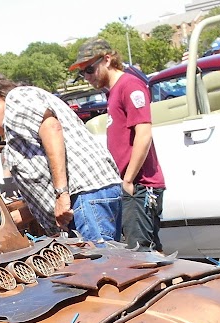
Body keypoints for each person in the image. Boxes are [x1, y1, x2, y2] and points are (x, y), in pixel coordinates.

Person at [0, 74, 123, 242]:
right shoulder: (19, 118)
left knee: (99, 258)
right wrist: (7, 220)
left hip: (83, 198)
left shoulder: (16, 100)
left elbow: (51, 128)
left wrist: (61, 194)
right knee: (108, 255)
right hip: (89, 196)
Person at [71, 38, 166, 252]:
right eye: (82, 73)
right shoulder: (113, 91)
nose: (87, 77)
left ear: (107, 59)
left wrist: (129, 179)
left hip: (140, 184)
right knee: (145, 253)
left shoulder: (129, 85)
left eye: (89, 69)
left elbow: (144, 133)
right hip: (132, 184)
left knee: (142, 254)